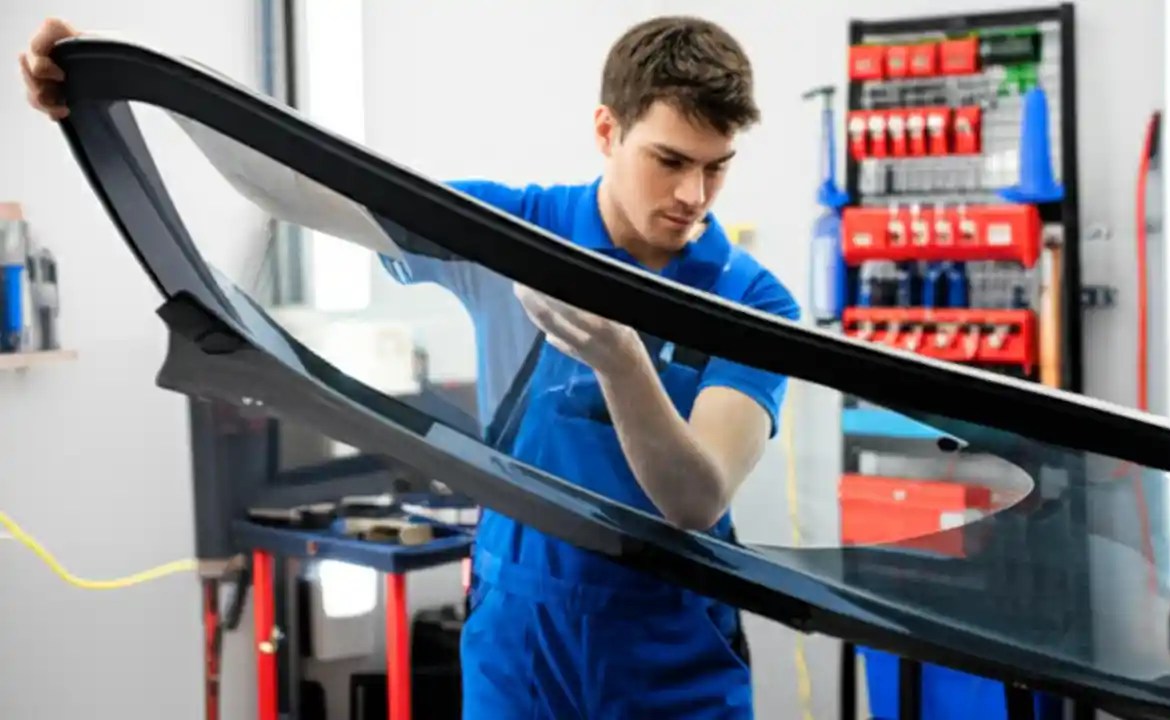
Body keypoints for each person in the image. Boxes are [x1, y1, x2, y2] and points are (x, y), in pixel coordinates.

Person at [22, 14, 800, 718]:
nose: (694, 195)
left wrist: (623, 365)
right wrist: (124, 83)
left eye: (717, 167)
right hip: (517, 645)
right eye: (669, 160)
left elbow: (696, 500)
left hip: (670, 659)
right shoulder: (514, 233)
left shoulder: (749, 303)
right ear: (607, 129)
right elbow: (295, 191)